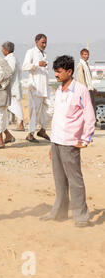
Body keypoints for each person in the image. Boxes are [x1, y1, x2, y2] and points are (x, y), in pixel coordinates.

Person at [40, 55, 95, 227]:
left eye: (59, 72)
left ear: (69, 72)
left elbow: (89, 116)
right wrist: (52, 144)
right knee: (59, 180)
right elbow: (57, 117)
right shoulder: (59, 91)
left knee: (75, 181)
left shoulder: (80, 90)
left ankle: (81, 217)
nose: (56, 75)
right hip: (56, 141)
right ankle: (59, 212)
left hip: (71, 142)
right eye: (55, 71)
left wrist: (85, 139)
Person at [22, 34, 52, 143]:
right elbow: (25, 66)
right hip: (35, 87)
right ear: (36, 41)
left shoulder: (44, 54)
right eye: (42, 42)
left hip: (45, 86)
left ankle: (43, 130)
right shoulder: (31, 52)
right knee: (34, 111)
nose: (44, 45)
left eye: (45, 43)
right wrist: (36, 64)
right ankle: (30, 134)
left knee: (51, 107)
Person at [2, 41, 24, 131]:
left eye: (3, 49)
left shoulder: (11, 59)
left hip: (12, 87)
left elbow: (9, 71)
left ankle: (21, 124)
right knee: (12, 105)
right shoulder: (11, 58)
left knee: (15, 105)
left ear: (6, 50)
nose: (2, 50)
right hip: (12, 86)